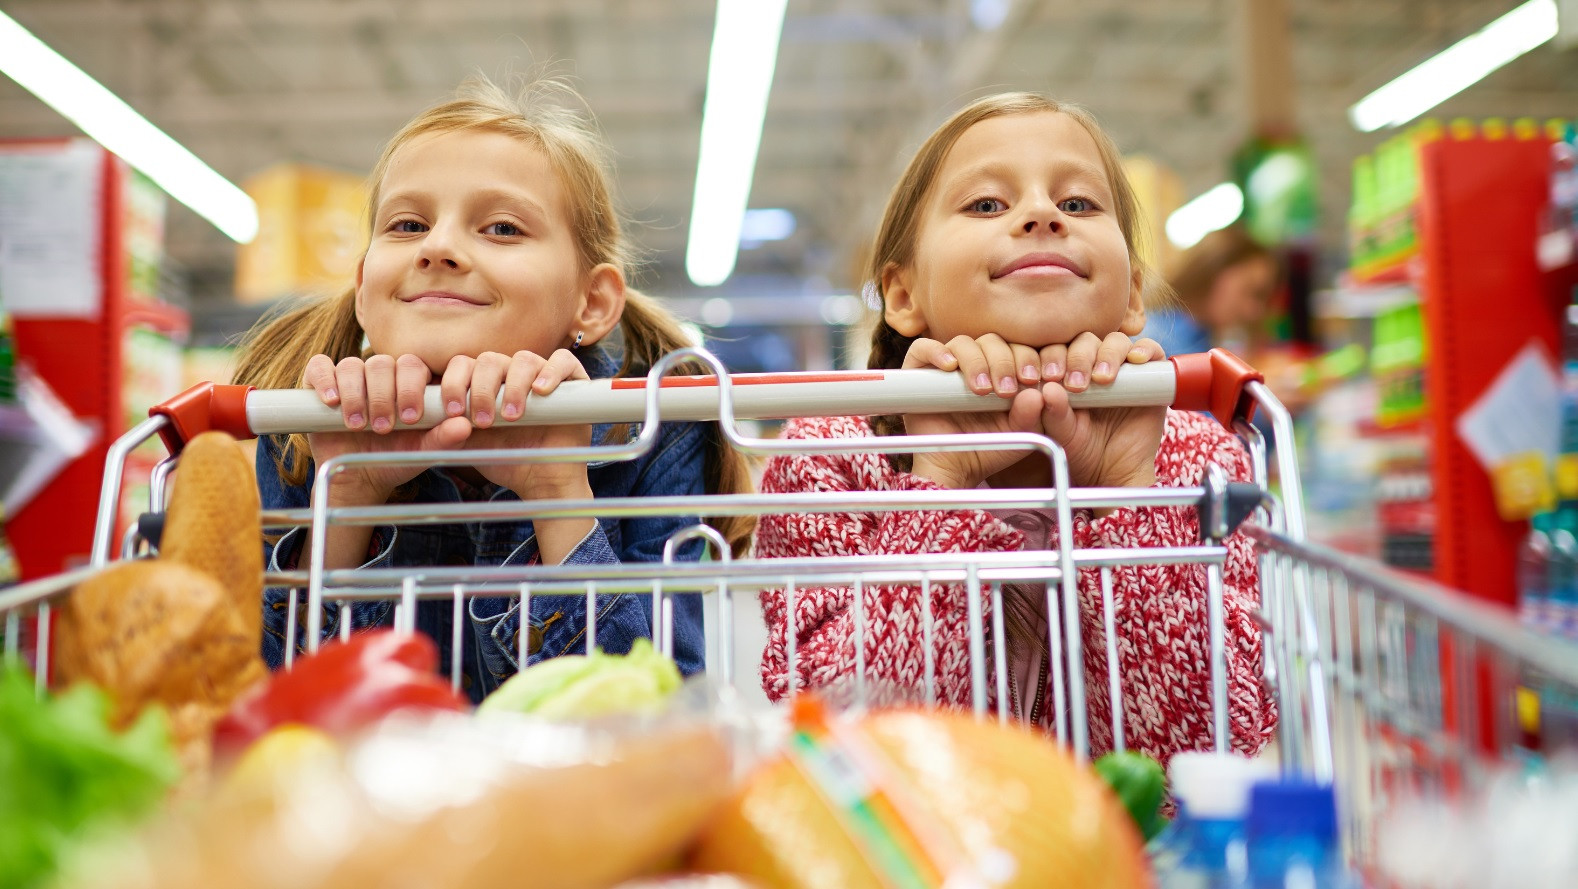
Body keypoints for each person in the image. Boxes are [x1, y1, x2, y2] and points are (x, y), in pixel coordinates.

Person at [754, 93, 1275, 761]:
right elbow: (836, 746)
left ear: (1134, 293)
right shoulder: (830, 461)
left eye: (1079, 203)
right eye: (987, 204)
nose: (1042, 214)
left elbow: (1204, 750)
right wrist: (939, 481)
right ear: (904, 296)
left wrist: (1126, 490)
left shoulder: (1198, 464)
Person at [232, 77, 752, 703]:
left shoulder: (654, 434)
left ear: (592, 302)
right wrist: (345, 503)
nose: (440, 246)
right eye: (407, 224)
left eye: (502, 229)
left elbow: (661, 715)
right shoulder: (305, 431)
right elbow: (271, 720)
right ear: (365, 290)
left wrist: (559, 492)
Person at [1143, 225, 1279, 359]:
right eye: (1249, 290)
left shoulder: (1201, 336)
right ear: (1212, 269)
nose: (1255, 311)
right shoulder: (1153, 340)